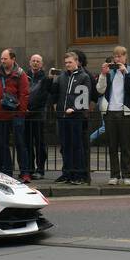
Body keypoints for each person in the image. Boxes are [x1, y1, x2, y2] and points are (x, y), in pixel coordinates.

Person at [0, 49, 31, 181]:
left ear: (13, 59)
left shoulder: (20, 74)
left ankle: (25, 172)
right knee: (2, 145)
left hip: (15, 115)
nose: (3, 61)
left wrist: (20, 113)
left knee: (20, 143)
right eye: (2, 59)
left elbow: (24, 94)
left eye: (5, 59)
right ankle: (8, 172)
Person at [49, 51, 92, 185]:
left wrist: (74, 108)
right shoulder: (61, 76)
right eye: (66, 62)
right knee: (65, 146)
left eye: (70, 62)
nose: (67, 65)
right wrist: (50, 79)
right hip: (62, 116)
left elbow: (84, 97)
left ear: (76, 62)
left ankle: (78, 174)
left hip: (76, 117)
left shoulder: (83, 77)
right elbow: (53, 92)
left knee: (76, 146)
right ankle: (66, 173)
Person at [97, 46, 130, 185]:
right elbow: (100, 90)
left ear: (126, 57)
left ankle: (126, 175)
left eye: (120, 56)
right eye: (115, 56)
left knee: (125, 145)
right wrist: (103, 74)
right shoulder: (109, 71)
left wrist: (125, 73)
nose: (117, 59)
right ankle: (114, 175)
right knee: (112, 145)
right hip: (110, 111)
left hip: (125, 112)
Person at [25, 54, 50, 179]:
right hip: (26, 115)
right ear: (30, 62)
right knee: (27, 143)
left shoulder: (44, 78)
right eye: (33, 61)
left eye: (38, 61)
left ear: (42, 64)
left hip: (38, 115)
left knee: (39, 143)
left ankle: (40, 169)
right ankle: (29, 169)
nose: (35, 63)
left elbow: (43, 97)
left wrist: (31, 109)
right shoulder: (24, 76)